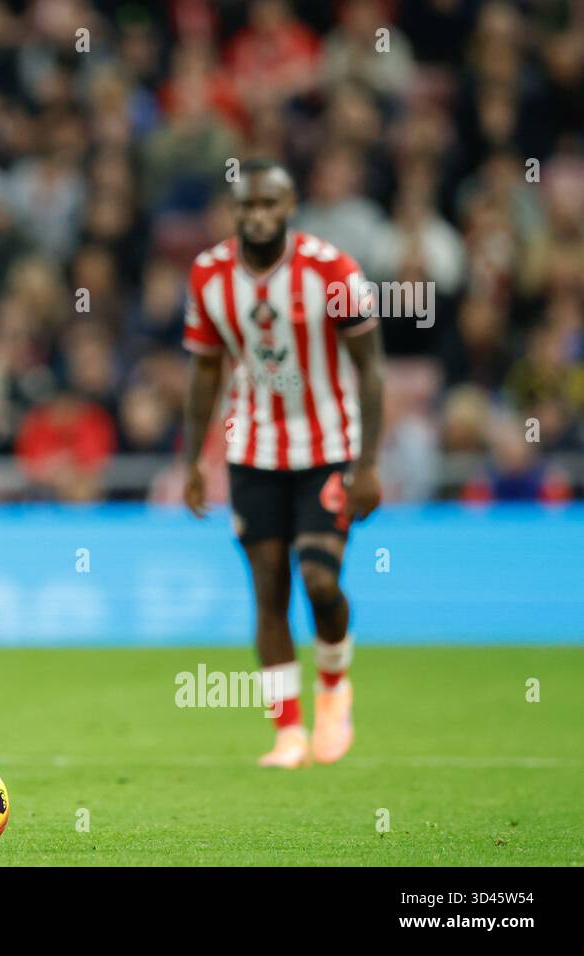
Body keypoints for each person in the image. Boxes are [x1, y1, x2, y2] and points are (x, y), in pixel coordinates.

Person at [181, 159, 384, 768]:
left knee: (320, 582)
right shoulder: (209, 275)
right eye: (247, 206)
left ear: (290, 205)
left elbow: (371, 369)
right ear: (234, 211)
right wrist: (193, 459)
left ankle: (333, 685)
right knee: (269, 591)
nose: (257, 216)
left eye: (269, 204)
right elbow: (205, 370)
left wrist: (369, 464)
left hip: (327, 447)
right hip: (253, 449)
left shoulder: (333, 270)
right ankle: (289, 733)